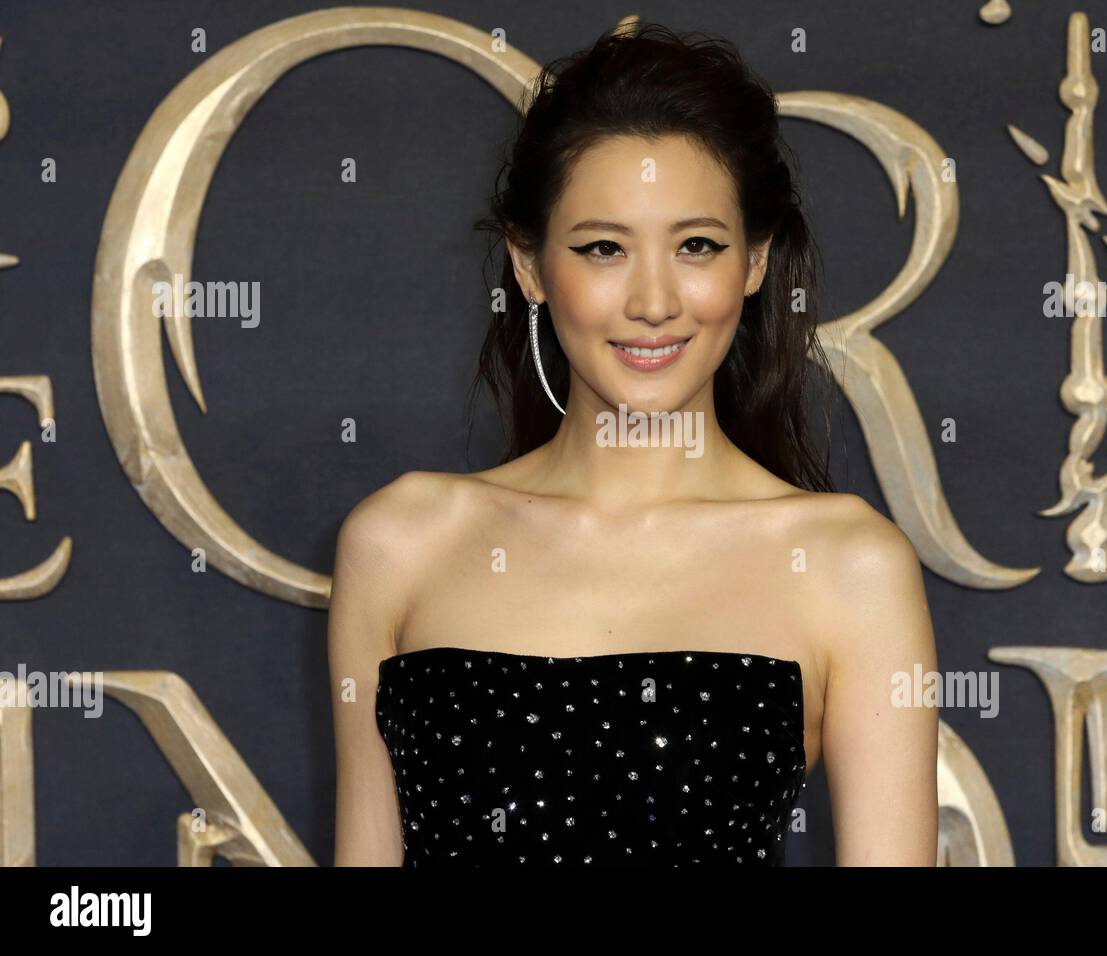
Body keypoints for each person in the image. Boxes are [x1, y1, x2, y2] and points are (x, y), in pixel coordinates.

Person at [329, 21, 937, 866]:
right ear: (531, 267)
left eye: (697, 246)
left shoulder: (848, 564)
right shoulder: (401, 543)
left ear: (754, 263)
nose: (654, 300)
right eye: (603, 249)